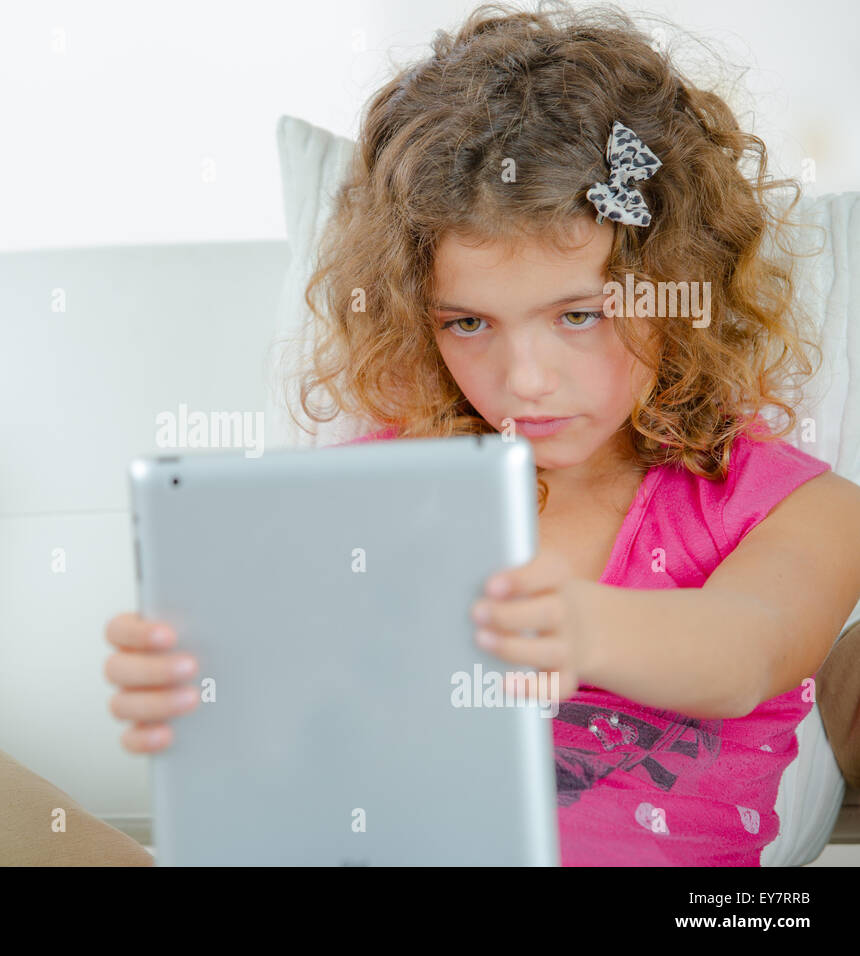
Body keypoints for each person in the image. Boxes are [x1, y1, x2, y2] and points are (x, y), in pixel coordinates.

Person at [103, 0, 860, 865]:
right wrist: (206, 690)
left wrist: (576, 630)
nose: (524, 378)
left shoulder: (795, 507)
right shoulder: (365, 499)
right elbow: (291, 746)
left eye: (579, 315)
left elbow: (748, 649)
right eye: (468, 324)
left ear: (680, 288)